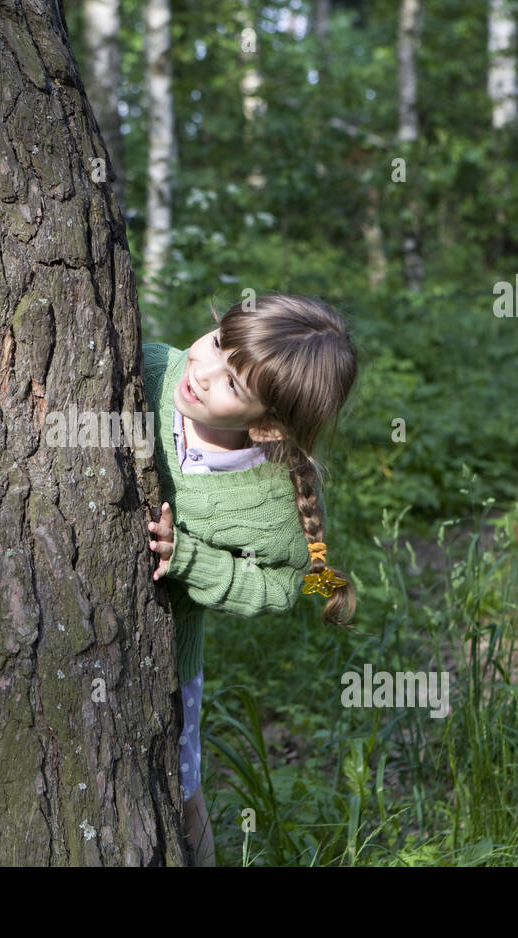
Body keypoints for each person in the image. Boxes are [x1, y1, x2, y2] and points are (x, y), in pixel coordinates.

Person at [143, 294, 359, 866]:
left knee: (179, 792)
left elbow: (288, 585)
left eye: (234, 385)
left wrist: (192, 559)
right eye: (217, 343)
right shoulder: (151, 370)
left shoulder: (268, 498)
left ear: (265, 425)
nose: (203, 372)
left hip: (166, 659)